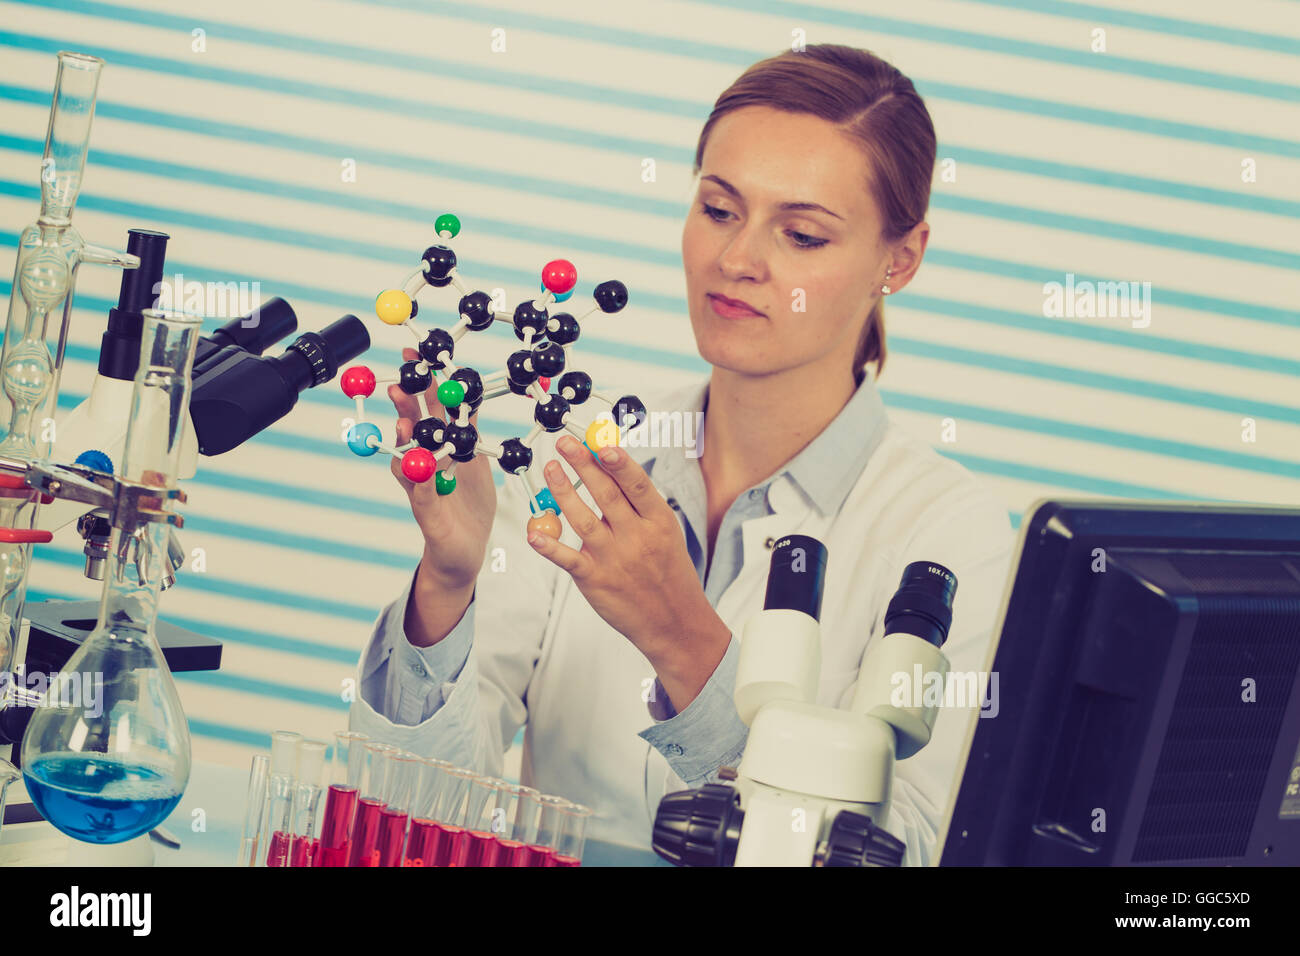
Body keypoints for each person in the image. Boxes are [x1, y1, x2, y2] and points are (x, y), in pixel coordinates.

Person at [349, 43, 1015, 866]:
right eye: (719, 209)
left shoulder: (956, 538)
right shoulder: (584, 456)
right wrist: (449, 583)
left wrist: (684, 642)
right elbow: (410, 812)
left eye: (802, 233)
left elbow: (913, 852)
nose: (737, 261)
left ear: (899, 259)